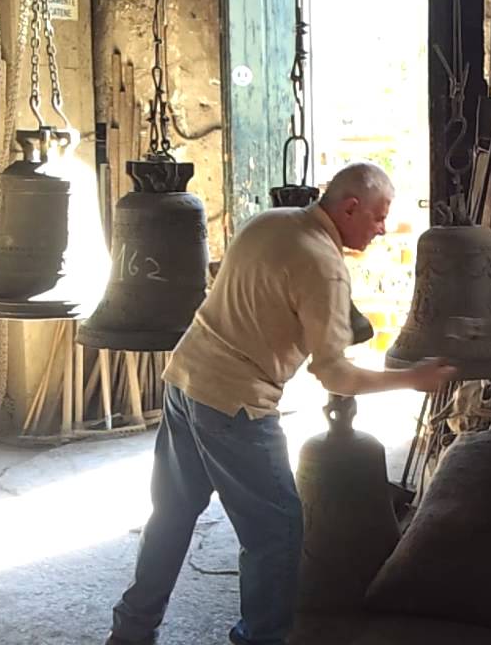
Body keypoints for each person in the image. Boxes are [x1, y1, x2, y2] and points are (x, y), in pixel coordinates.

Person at [106, 162, 456, 645]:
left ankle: (130, 631)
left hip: (184, 381)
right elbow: (334, 374)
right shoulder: (324, 266)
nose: (382, 228)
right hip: (235, 404)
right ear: (350, 207)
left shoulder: (269, 223)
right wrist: (412, 378)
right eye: (378, 216)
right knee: (276, 534)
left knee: (171, 513)